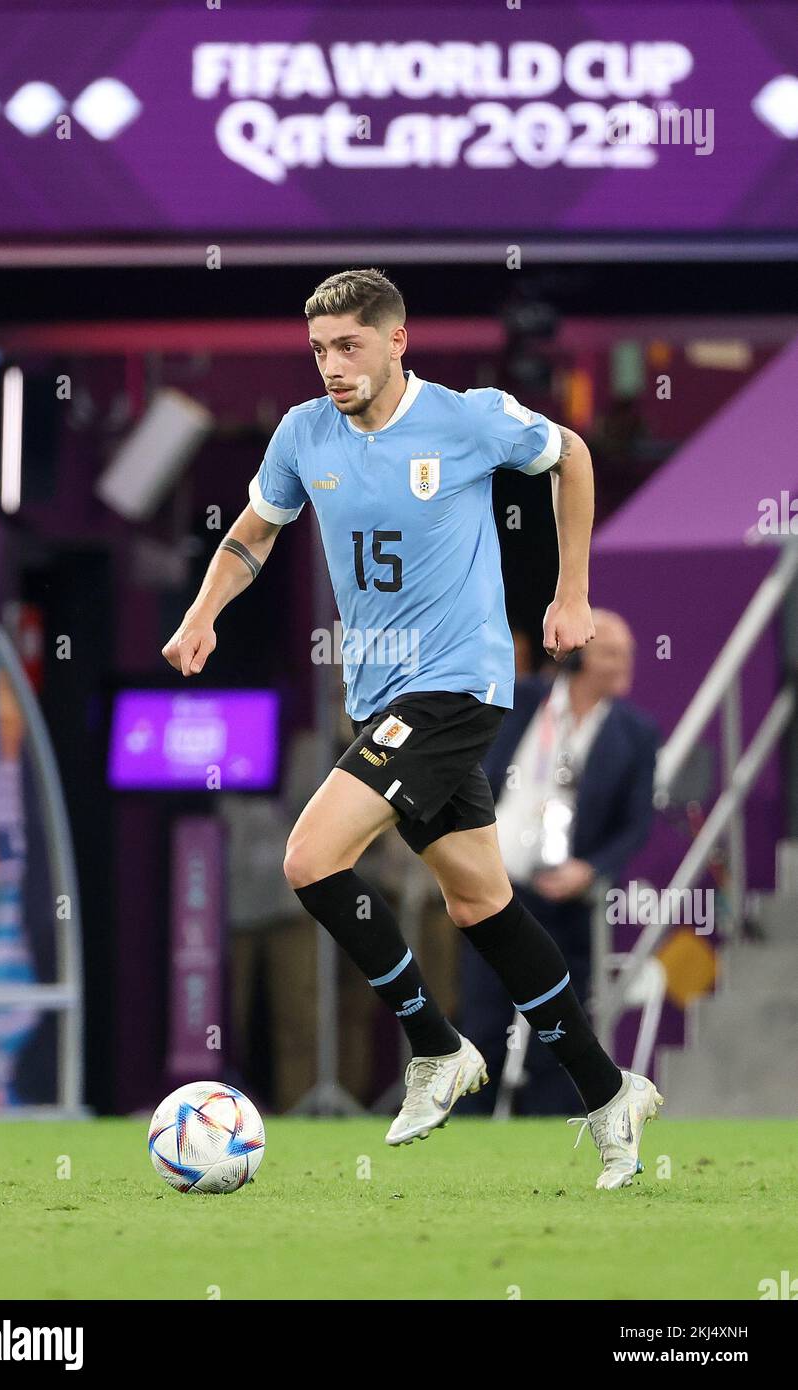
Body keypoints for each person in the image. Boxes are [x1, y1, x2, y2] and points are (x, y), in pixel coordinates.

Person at [162, 268, 663, 1189]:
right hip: (379, 695)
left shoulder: (467, 419)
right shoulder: (304, 434)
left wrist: (571, 590)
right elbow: (255, 532)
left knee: (310, 859)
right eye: (318, 350)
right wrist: (205, 613)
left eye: (349, 346)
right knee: (482, 905)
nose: (332, 367)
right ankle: (608, 1093)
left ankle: (435, 1047)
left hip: (458, 687)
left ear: (397, 341)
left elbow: (574, 458)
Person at [459, 611, 659, 1115]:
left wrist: (590, 871)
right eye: (613, 653)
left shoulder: (636, 733)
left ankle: (551, 1136)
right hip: (497, 888)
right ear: (584, 657)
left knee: (560, 1026)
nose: (625, 665)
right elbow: (473, 767)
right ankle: (462, 1136)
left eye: (629, 653)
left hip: (566, 900)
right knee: (484, 1018)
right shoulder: (525, 700)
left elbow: (635, 824)